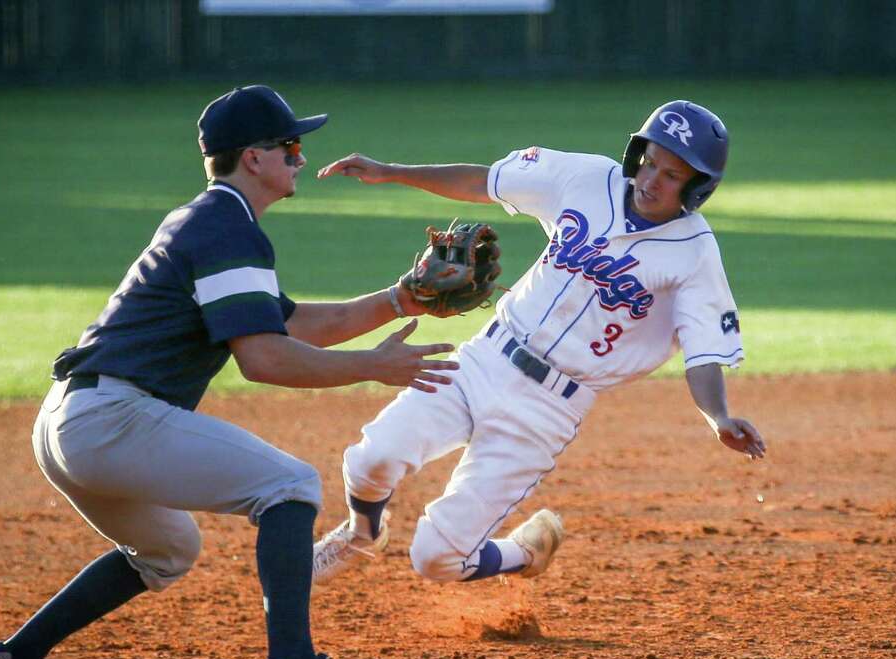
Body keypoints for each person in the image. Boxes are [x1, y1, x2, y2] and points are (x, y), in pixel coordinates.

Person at [0, 85, 458, 659]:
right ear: (253, 157)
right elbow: (265, 360)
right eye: (292, 146)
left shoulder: (214, 220)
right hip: (111, 419)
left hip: (70, 421)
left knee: (168, 549)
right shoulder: (226, 228)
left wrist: (401, 298)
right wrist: (372, 367)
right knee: (291, 486)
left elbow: (291, 324)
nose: (301, 159)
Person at [311, 100, 766, 589]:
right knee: (370, 458)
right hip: (485, 359)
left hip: (546, 410)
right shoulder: (587, 179)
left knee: (436, 559)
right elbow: (483, 182)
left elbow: (702, 353)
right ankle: (362, 534)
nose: (652, 180)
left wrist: (717, 416)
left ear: (698, 187)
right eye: (650, 161)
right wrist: (392, 172)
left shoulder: (695, 254)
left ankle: (524, 551)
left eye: (672, 175)